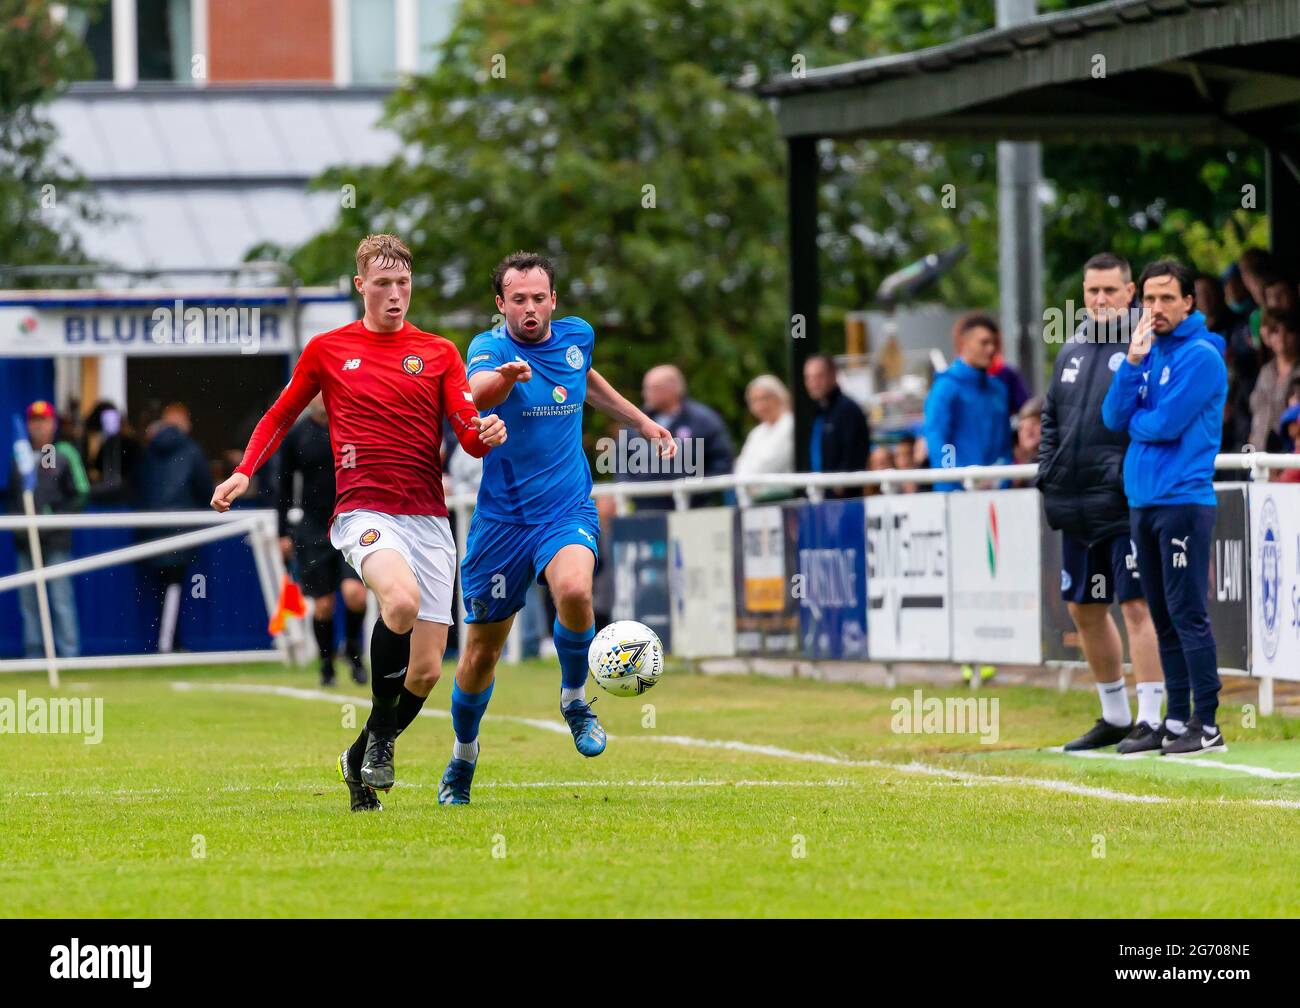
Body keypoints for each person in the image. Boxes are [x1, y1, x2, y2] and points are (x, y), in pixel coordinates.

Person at [211, 234, 507, 813]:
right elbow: (280, 414)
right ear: (360, 286)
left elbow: (468, 433)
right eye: (382, 285)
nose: (395, 295)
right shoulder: (328, 350)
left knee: (423, 673)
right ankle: (377, 745)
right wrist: (246, 471)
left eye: (403, 284)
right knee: (397, 603)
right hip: (363, 513)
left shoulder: (440, 353)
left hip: (428, 518)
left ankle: (363, 753)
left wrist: (487, 434)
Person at [438, 251, 675, 805]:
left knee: (574, 588)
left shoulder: (577, 337)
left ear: (553, 300)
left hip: (566, 508)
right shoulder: (489, 348)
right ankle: (462, 759)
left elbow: (584, 377)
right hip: (502, 521)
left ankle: (573, 699)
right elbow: (472, 395)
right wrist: (505, 377)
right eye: (517, 299)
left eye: (538, 297)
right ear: (501, 305)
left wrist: (640, 421)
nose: (529, 308)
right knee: (480, 655)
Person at [1037, 252, 1164, 752]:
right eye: (1092, 291)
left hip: (1123, 502)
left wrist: (1124, 476)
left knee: (1136, 605)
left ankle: (1152, 718)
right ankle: (1115, 714)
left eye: (1110, 290)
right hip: (1075, 503)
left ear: (1130, 293)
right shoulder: (1070, 348)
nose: (1100, 299)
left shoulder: (1148, 347)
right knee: (1084, 607)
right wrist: (1049, 472)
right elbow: (1050, 417)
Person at [1102, 258, 1229, 756]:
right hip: (1144, 501)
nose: (1155, 308)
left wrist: (1138, 418)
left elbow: (1166, 424)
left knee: (1187, 610)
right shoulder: (1146, 353)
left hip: (1183, 501)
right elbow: (1113, 416)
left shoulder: (1202, 355)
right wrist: (1131, 366)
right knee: (1161, 613)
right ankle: (1176, 719)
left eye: (1166, 299)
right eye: (1148, 299)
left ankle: (1210, 722)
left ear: (1189, 303)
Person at [276, 394, 370, 687]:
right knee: (324, 605)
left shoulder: (353, 426)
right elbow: (283, 484)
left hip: (351, 522)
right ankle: (327, 663)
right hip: (314, 528)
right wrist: (283, 532)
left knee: (355, 594)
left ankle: (354, 651)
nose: (320, 397)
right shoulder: (297, 435)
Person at [6, 400, 87, 658]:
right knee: (29, 603)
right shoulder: (18, 455)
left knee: (60, 600)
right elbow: (13, 497)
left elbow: (81, 492)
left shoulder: (64, 453)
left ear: (53, 424)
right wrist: (20, 525)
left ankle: (69, 654)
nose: (39, 426)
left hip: (55, 541)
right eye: (34, 421)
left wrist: (56, 518)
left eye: (44, 420)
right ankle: (34, 656)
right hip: (25, 540)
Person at [135, 402, 212, 654]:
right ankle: (168, 645)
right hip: (180, 530)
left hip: (151, 529)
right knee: (175, 587)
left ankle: (166, 642)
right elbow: (206, 491)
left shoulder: (147, 450)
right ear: (184, 423)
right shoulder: (192, 450)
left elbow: (137, 487)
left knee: (164, 590)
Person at [616, 364, 732, 510]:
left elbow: (722, 462)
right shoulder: (637, 423)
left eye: (652, 388)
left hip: (693, 510)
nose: (645, 394)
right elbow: (620, 463)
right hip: (645, 510)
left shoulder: (704, 421)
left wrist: (697, 490)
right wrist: (632, 491)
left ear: (673, 389)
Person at [923, 312, 1011, 492]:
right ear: (963, 343)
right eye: (984, 342)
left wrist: (999, 479)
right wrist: (956, 477)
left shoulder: (998, 389)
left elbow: (1005, 445)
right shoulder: (945, 387)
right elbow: (938, 439)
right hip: (955, 494)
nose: (991, 349)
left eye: (994, 343)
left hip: (995, 494)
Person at [802, 354, 870, 497]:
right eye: (808, 377)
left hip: (843, 500)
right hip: (817, 495)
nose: (813, 383)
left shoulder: (848, 410)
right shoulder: (816, 412)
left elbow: (855, 455)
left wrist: (839, 487)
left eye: (819, 376)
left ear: (833, 376)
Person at [734, 374, 794, 501]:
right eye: (754, 400)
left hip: (784, 499)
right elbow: (740, 467)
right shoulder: (756, 433)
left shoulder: (790, 424)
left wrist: (748, 482)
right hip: (756, 501)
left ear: (779, 397)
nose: (760, 406)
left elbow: (770, 463)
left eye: (765, 398)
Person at [1248, 310, 1300, 453]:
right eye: (1276, 331)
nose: (1282, 337)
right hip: (1259, 453)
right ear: (1268, 337)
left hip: (1289, 454)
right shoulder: (1265, 372)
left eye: (1289, 331)